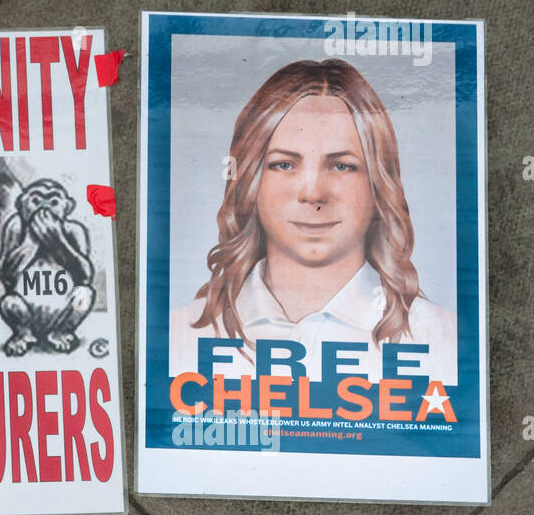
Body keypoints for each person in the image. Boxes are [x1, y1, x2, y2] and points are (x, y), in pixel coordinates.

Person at [170, 59, 456, 387]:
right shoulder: (180, 334)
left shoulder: (442, 340)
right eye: (284, 164)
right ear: (251, 180)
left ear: (378, 183)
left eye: (342, 166)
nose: (313, 192)